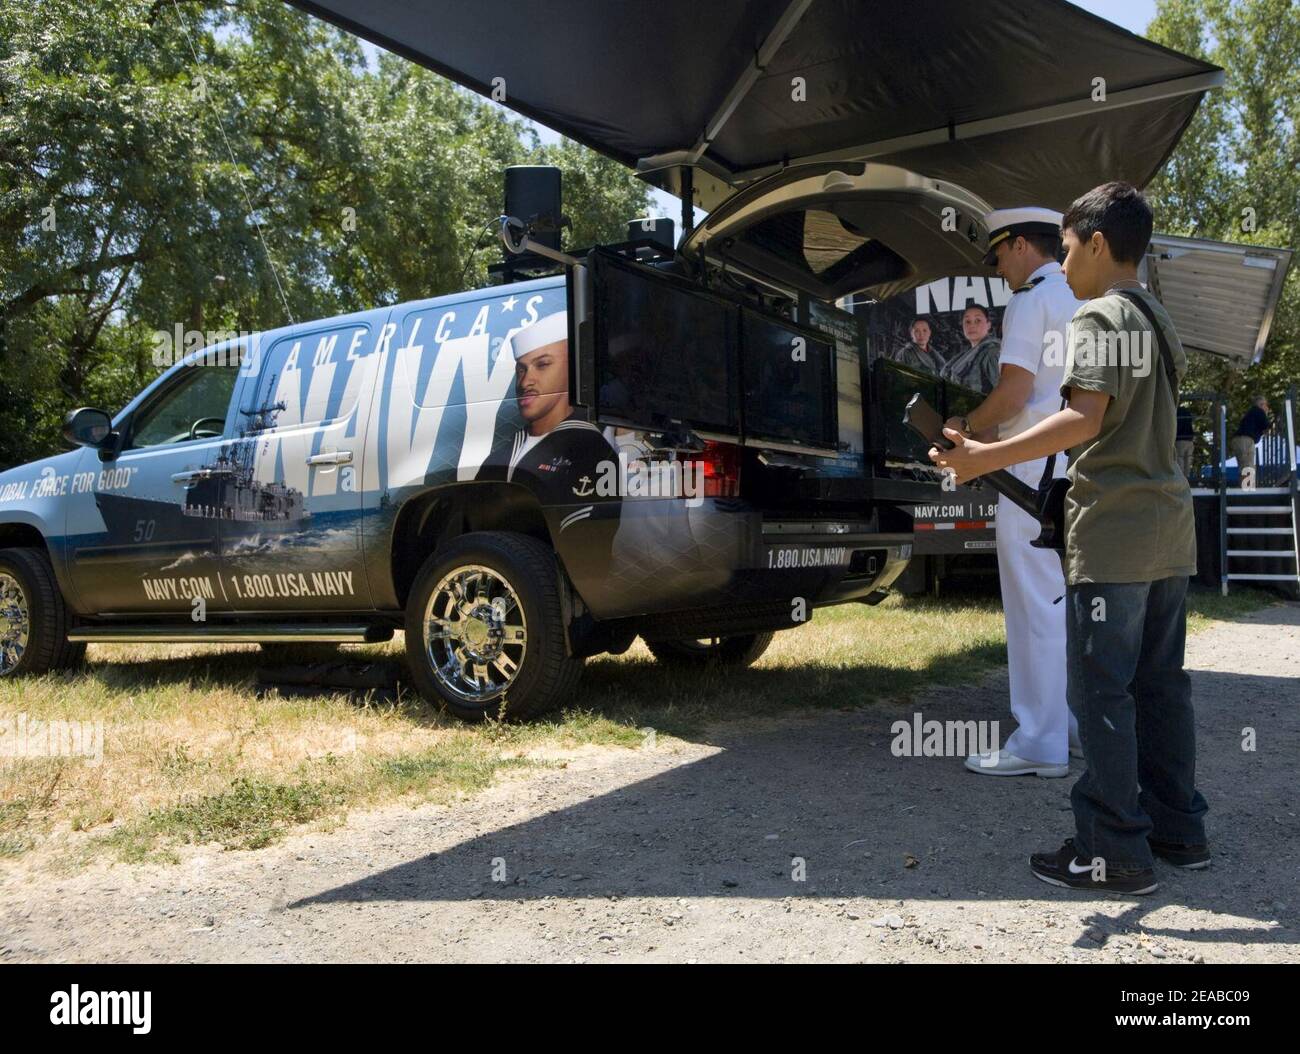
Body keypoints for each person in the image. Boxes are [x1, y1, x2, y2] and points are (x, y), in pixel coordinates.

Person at [929, 181, 1207, 895]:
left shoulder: (1101, 316)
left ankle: (1112, 849)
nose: (1065, 258)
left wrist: (980, 457)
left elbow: (1083, 418)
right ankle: (1178, 828)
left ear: (1100, 244)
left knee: (1101, 692)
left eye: (1073, 244)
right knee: (1161, 688)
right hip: (1169, 530)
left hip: (1113, 534)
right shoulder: (1156, 316)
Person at [945, 207, 1084, 778]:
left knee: (1031, 605)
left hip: (1029, 466)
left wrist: (965, 428)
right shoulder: (1079, 295)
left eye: (1000, 253)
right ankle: (1065, 727)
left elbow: (1013, 392)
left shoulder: (1030, 299)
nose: (999, 268)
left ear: (1022, 245)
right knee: (1059, 603)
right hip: (1070, 460)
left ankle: (1039, 741)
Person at [940, 304, 1001, 393]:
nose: (972, 325)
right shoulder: (965, 354)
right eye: (967, 321)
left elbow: (1002, 393)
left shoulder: (991, 352)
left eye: (977, 320)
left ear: (988, 325)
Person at [1230, 395, 1271, 474]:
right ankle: (1249, 486)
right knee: (1248, 467)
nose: (1267, 407)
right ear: (1261, 404)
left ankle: (1245, 485)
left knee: (1243, 467)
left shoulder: (1251, 413)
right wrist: (1265, 414)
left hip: (1238, 440)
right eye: (1266, 405)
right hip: (1246, 440)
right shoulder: (1259, 411)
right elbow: (1266, 425)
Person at [1175, 403, 1195, 479]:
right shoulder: (1187, 413)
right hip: (1189, 440)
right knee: (1188, 460)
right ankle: (1186, 478)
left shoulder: (1177, 412)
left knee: (1180, 459)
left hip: (1179, 439)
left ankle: (1181, 478)